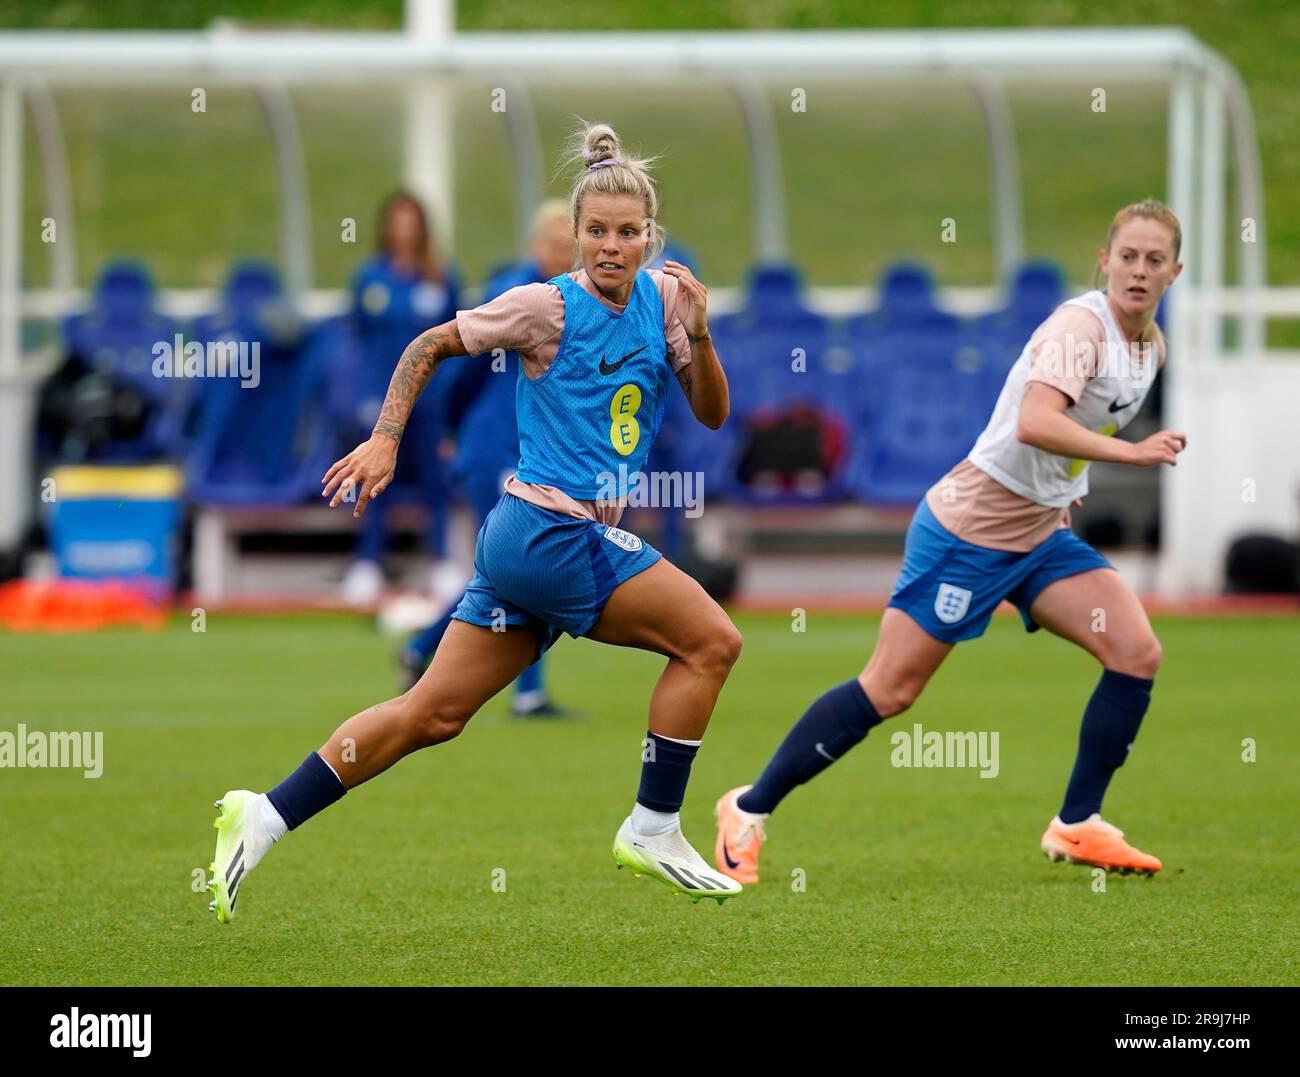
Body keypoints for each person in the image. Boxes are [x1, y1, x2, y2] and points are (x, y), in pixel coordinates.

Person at [207, 122, 742, 923]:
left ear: (649, 238)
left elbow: (710, 412)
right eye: (594, 231)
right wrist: (386, 439)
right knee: (712, 642)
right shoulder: (543, 306)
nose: (609, 245)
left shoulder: (666, 300)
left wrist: (699, 333)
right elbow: (429, 343)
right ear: (573, 238)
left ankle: (266, 813)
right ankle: (653, 825)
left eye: (626, 232)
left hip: (527, 541)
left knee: (432, 713)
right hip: (552, 531)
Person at [715, 200, 1186, 882]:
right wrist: (1132, 456)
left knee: (1137, 651)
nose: (1139, 270)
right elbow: (1034, 421)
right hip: (967, 533)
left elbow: (1074, 435)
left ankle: (1078, 823)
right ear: (1104, 262)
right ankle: (748, 809)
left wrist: (1068, 486)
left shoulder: (1151, 344)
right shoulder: (1078, 329)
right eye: (1128, 256)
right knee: (890, 689)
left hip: (1039, 536)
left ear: (1175, 270)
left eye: (1154, 260)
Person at [397, 200, 576, 718]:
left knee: (502, 572)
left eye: (572, 248)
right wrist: (453, 430)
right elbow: (461, 370)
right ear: (536, 247)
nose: (565, 256)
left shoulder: (576, 305)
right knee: (525, 564)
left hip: (534, 452)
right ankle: (528, 693)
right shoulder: (516, 296)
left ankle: (420, 645)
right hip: (494, 447)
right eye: (557, 246)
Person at [341, 191, 462, 607]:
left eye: (412, 221)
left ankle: (442, 562)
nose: (404, 229)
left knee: (435, 481)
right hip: (381, 406)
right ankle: (368, 564)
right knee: (375, 482)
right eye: (398, 221)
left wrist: (449, 410)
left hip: (429, 405)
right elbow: (355, 341)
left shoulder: (441, 278)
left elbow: (454, 344)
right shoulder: (369, 279)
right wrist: (360, 396)